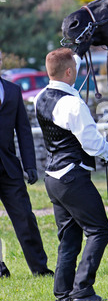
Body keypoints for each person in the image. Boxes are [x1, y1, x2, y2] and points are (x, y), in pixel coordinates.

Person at [34, 47, 108, 301]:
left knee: (69, 239)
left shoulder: (39, 97)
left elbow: (66, 65)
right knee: (99, 230)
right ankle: (82, 291)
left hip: (53, 179)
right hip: (72, 177)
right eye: (75, 70)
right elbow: (91, 143)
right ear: (69, 73)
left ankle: (62, 293)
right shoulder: (73, 104)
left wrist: (77, 52)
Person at [0, 50, 53, 278]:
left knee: (25, 218)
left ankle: (40, 268)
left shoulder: (13, 91)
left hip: (9, 169)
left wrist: (30, 164)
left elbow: (23, 131)